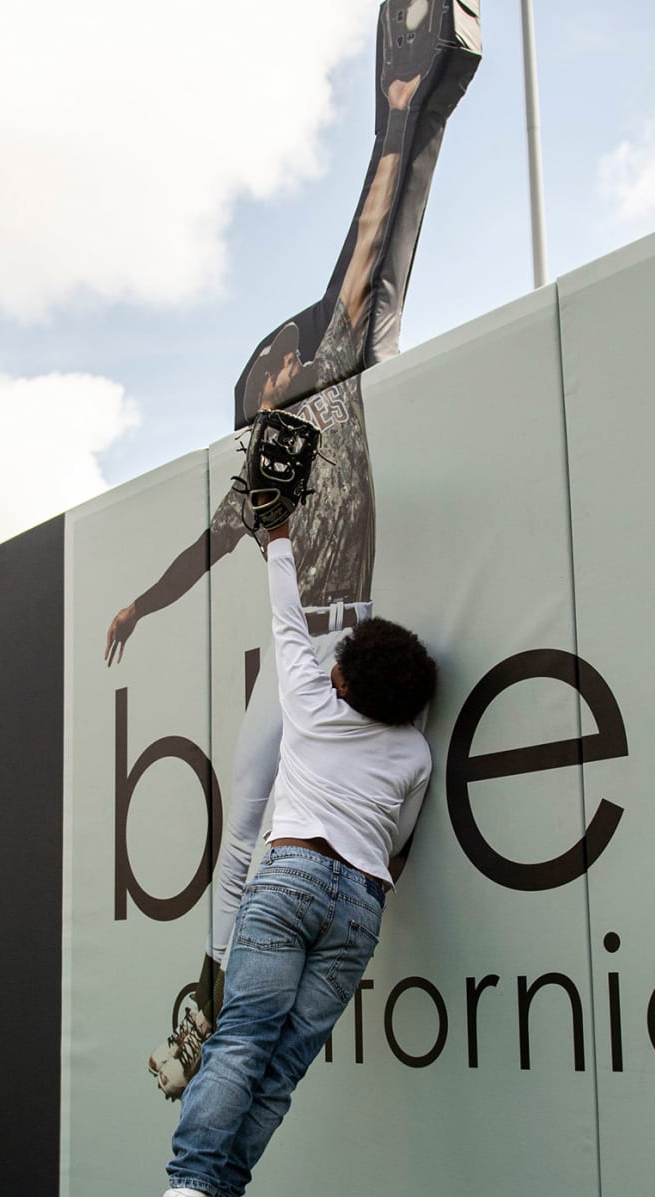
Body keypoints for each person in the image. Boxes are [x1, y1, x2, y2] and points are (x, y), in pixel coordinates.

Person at [105, 0, 481, 1009]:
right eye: (270, 362)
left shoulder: (331, 391)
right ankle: (218, 986)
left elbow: (371, 254)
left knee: (325, 817)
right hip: (307, 661)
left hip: (349, 650)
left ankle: (306, 935)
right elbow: (206, 545)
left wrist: (408, 107)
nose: (285, 358)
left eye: (287, 353)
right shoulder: (272, 453)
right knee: (242, 821)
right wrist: (142, 604)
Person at [149, 518, 437, 1197]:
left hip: (291, 880)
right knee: (280, 1069)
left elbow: (287, 615)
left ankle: (187, 1192)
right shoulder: (415, 754)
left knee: (241, 1041)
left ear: (340, 680)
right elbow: (396, 846)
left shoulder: (311, 704)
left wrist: (278, 536)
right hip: (359, 909)